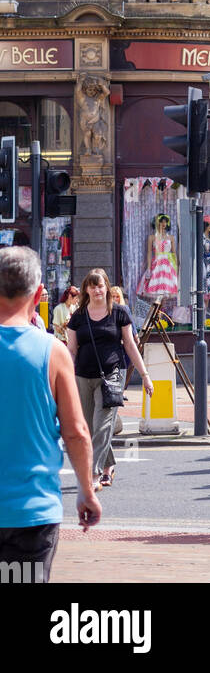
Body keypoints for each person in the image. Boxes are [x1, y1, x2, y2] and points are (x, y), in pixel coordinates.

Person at [0, 248, 102, 582]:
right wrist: (86, 491)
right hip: (31, 512)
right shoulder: (52, 352)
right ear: (38, 293)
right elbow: (76, 432)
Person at [66, 267, 153, 491]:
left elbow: (130, 345)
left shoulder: (120, 312)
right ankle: (108, 466)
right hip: (83, 376)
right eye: (92, 286)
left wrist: (145, 375)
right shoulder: (78, 316)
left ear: (106, 287)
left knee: (102, 426)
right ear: (86, 289)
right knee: (89, 427)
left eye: (100, 285)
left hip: (112, 375)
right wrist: (63, 377)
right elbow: (71, 350)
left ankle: (93, 475)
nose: (97, 290)